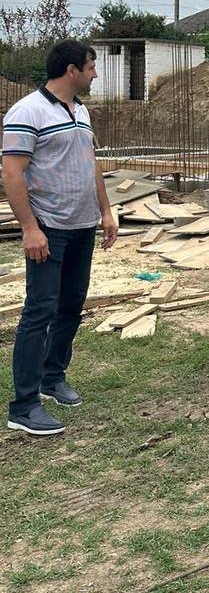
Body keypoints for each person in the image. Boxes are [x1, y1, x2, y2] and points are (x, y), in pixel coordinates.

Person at [3, 40, 117, 436]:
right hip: (49, 228)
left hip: (82, 225)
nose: (95, 74)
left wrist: (104, 210)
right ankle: (23, 405)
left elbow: (91, 164)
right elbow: (12, 173)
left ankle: (53, 377)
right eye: (91, 67)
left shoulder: (80, 111)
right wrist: (30, 228)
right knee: (40, 311)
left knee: (71, 305)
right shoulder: (27, 111)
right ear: (72, 70)